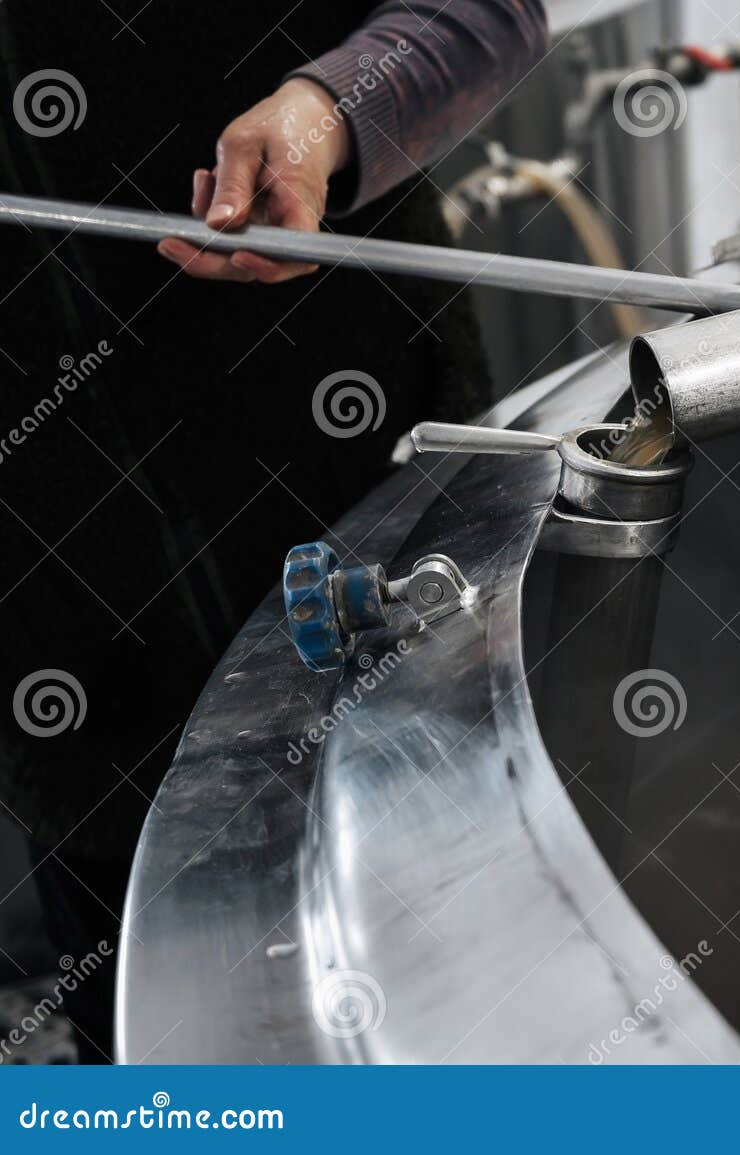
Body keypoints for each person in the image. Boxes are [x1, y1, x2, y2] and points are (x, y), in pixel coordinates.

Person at [0, 1, 549, 1060]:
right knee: (171, 1049)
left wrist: (332, 111)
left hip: (371, 498)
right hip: (69, 648)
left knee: (476, 1005)